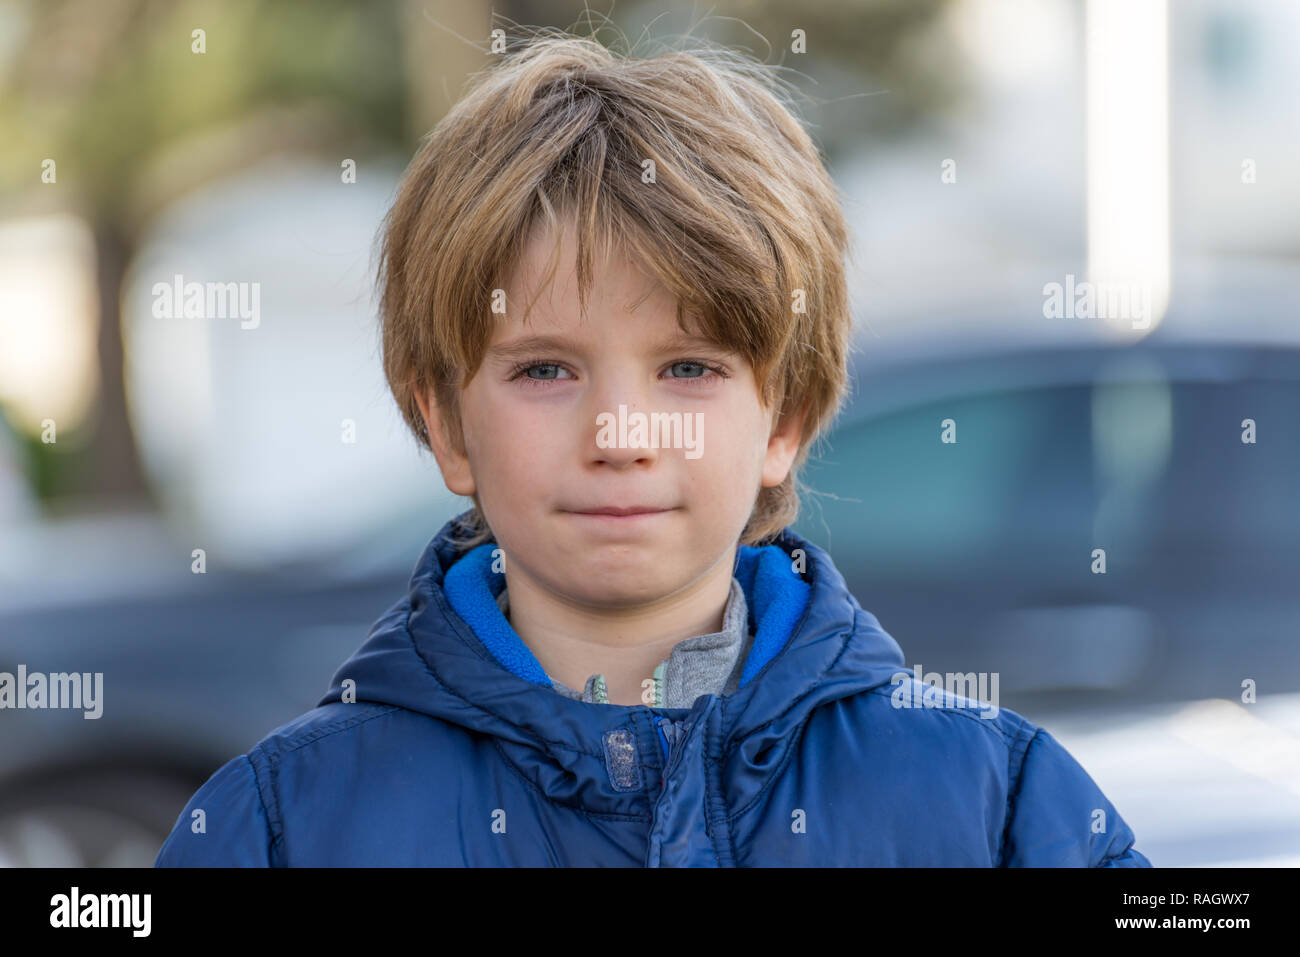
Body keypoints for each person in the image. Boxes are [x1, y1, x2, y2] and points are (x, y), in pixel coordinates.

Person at [156, 30, 1150, 867]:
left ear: (787, 418)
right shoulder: (282, 825)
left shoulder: (998, 806)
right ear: (449, 428)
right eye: (545, 370)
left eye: (688, 369)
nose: (619, 435)